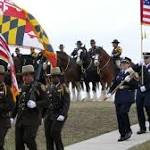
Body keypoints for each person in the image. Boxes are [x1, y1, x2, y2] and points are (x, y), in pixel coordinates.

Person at [11, 65, 48, 150]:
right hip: (20, 119)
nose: (25, 77)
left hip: (32, 119)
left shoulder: (39, 86)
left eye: (27, 75)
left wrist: (35, 104)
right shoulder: (20, 87)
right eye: (24, 75)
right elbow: (17, 103)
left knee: (28, 139)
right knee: (18, 142)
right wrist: (12, 116)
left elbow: (46, 102)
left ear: (32, 75)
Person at [107, 57, 138, 142]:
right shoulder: (119, 73)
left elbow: (136, 85)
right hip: (118, 98)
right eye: (122, 64)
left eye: (125, 63)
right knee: (119, 115)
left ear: (128, 65)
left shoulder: (131, 73)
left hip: (128, 96)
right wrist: (110, 92)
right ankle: (122, 134)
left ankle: (128, 131)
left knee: (123, 112)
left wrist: (128, 81)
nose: (123, 65)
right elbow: (114, 84)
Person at [44, 67, 70, 150]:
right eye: (52, 77)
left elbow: (66, 103)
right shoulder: (48, 88)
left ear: (59, 77)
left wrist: (63, 114)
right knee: (48, 136)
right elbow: (46, 103)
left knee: (55, 132)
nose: (54, 78)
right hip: (49, 115)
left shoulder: (63, 88)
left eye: (56, 76)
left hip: (59, 114)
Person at [133, 52, 150, 134]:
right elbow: (133, 68)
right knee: (139, 108)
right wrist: (138, 63)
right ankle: (142, 128)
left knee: (148, 107)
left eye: (147, 58)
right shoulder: (141, 66)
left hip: (148, 90)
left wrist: (146, 87)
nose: (145, 59)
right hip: (140, 90)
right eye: (144, 58)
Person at [0, 65, 15, 150]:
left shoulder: (7, 89)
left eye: (1, 75)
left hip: (3, 120)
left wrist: (1, 107)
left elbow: (12, 105)